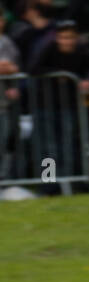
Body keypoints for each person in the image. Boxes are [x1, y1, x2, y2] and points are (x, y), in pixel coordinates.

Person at [29, 19, 89, 193]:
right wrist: (57, 74)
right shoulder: (48, 48)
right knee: (49, 148)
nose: (67, 41)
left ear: (76, 38)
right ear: (57, 38)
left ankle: (74, 182)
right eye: (63, 37)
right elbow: (33, 68)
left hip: (68, 106)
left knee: (70, 145)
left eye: (71, 37)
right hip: (46, 106)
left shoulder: (81, 50)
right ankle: (49, 185)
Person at [0, 13, 22, 182]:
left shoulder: (8, 43)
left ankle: (4, 180)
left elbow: (13, 68)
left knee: (6, 142)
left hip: (4, 104)